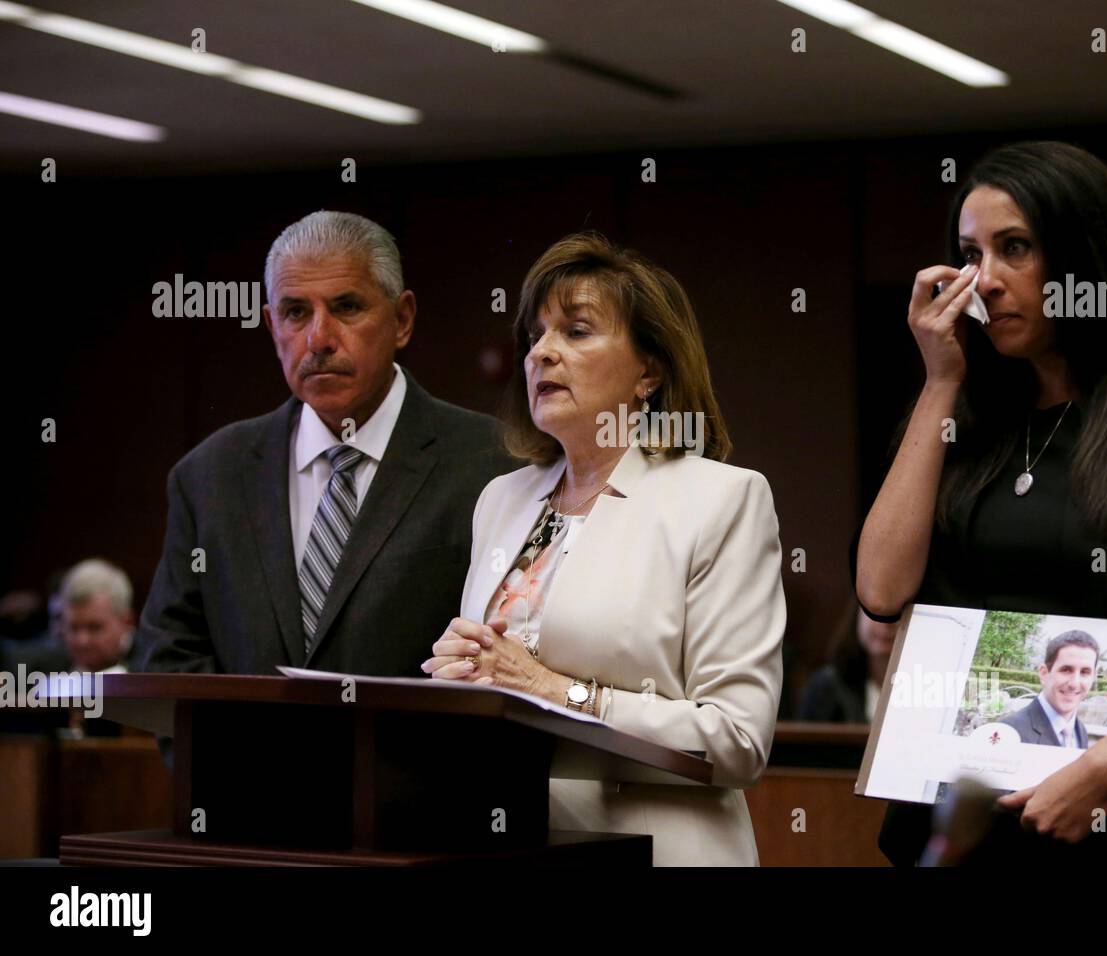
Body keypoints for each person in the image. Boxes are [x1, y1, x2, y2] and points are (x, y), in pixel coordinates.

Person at [854, 142, 1107, 866]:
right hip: (970, 810)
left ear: (1086, 258)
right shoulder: (968, 411)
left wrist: (1103, 767)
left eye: (1014, 248)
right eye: (969, 253)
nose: (983, 280)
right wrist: (938, 382)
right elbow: (882, 591)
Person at [424, 232, 786, 866]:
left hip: (656, 849)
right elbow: (502, 679)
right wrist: (458, 680)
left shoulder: (721, 500)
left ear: (649, 370)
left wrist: (556, 691)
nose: (543, 353)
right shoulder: (501, 501)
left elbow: (736, 741)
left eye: (577, 331)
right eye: (535, 336)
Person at [140, 211, 515, 675]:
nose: (318, 339)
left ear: (402, 319)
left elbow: (510, 657)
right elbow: (169, 659)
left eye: (346, 307)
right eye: (295, 312)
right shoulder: (210, 475)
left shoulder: (492, 463)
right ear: (271, 326)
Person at [993, 631, 1098, 749]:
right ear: (1044, 673)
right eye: (1066, 670)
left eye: (1085, 672)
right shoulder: (1009, 733)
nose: (1074, 683)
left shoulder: (1080, 731)